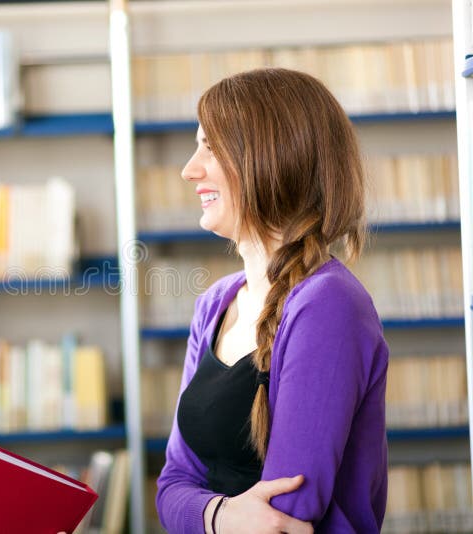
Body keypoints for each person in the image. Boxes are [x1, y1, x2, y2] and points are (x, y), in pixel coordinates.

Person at [155, 68, 389, 533]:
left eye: (210, 147)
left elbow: (283, 518)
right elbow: (171, 485)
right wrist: (220, 516)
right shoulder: (215, 304)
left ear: (271, 157)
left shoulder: (327, 305)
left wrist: (201, 514)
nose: (189, 169)